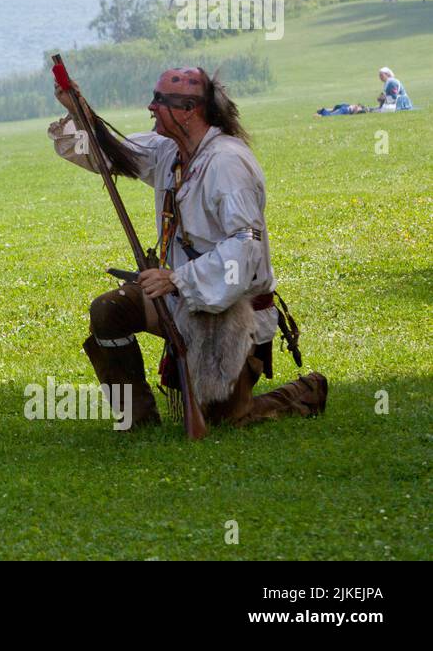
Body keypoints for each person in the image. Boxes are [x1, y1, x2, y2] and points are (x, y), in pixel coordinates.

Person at [49, 67, 327, 429]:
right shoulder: (169, 151)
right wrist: (79, 113)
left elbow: (244, 250)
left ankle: (302, 394)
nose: (151, 106)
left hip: (231, 311)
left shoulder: (227, 164)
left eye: (159, 101)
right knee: (109, 310)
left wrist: (178, 279)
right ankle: (139, 420)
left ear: (188, 109)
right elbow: (108, 155)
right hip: (180, 294)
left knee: (225, 419)